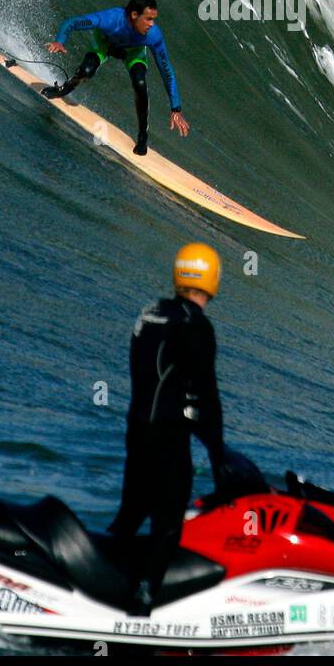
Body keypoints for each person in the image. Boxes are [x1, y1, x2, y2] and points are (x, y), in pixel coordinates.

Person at [108, 242, 225, 607]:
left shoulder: (149, 313)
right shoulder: (196, 325)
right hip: (168, 436)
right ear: (212, 279)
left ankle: (103, 578)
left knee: (131, 512)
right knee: (168, 522)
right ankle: (142, 602)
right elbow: (206, 393)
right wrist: (218, 452)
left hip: (136, 429)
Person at [43, 0, 189, 155]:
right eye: (148, 19)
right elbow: (74, 22)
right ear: (134, 15)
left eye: (153, 19)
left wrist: (176, 107)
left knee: (140, 82)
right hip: (105, 43)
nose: (151, 24)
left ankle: (142, 135)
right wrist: (60, 41)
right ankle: (62, 90)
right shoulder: (111, 19)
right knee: (86, 71)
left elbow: (166, 69)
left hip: (133, 52)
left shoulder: (153, 35)